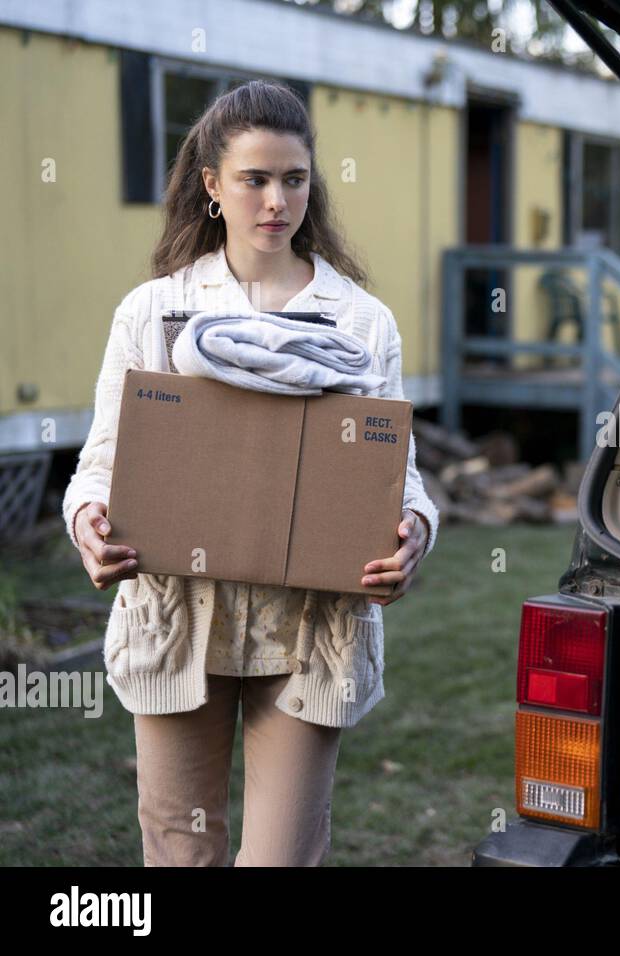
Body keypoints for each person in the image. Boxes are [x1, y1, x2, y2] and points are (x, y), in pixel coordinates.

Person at [62, 80, 439, 866]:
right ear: (212, 186)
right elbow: (100, 464)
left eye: (294, 180)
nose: (277, 201)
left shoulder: (360, 321)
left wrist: (413, 535)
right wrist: (88, 526)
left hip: (310, 633)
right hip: (177, 625)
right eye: (255, 180)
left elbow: (396, 475)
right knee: (180, 857)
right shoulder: (152, 313)